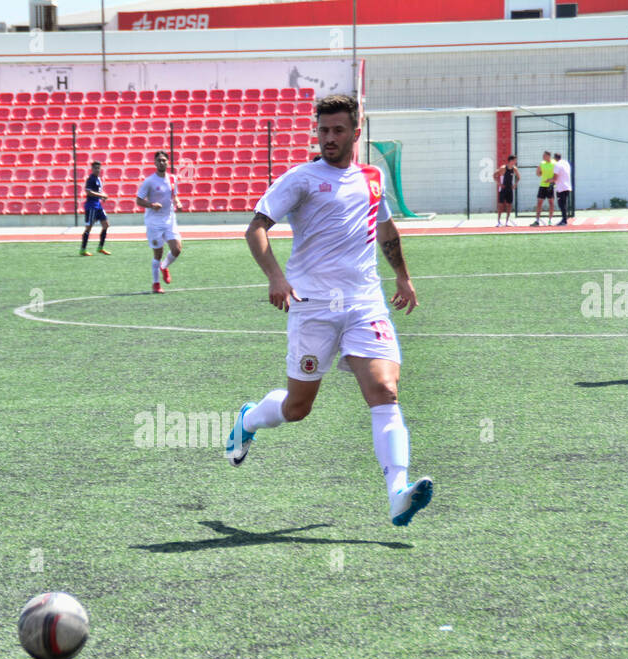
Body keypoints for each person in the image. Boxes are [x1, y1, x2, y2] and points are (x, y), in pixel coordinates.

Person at [225, 93, 433, 529]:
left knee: (385, 391)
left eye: (338, 130)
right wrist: (276, 278)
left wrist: (402, 275)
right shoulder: (301, 179)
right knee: (298, 408)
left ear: (356, 133)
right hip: (313, 308)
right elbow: (256, 228)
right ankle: (250, 418)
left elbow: (384, 227)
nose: (329, 138)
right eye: (323, 130)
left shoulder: (372, 179)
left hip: (364, 305)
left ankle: (398, 493)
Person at [135, 151, 183, 293]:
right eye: (159, 160)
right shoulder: (149, 181)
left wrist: (178, 203)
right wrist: (151, 205)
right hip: (154, 222)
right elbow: (138, 200)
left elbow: (174, 196)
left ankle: (164, 267)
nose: (162, 162)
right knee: (158, 253)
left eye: (164, 160)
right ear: (155, 163)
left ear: (168, 162)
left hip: (169, 220)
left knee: (177, 249)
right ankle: (156, 284)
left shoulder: (173, 179)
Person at [80, 160, 111, 256]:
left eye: (99, 168)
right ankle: (83, 249)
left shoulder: (98, 179)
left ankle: (100, 247)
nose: (97, 170)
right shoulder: (91, 179)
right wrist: (101, 195)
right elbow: (88, 192)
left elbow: (96, 192)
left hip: (98, 206)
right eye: (95, 168)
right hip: (91, 206)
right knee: (88, 228)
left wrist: (101, 197)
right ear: (92, 169)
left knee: (106, 225)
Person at [532, 150, 555, 226]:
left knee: (551, 203)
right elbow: (538, 174)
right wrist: (539, 171)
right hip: (542, 185)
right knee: (539, 203)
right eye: (543, 156)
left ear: (548, 156)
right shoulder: (542, 163)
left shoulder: (554, 163)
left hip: (550, 186)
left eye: (544, 155)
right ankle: (537, 220)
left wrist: (551, 180)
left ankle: (550, 220)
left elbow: (556, 174)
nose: (543, 157)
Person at [495, 154, 518, 226]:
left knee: (509, 205)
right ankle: (498, 221)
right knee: (500, 205)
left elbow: (519, 177)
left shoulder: (514, 169)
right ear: (511, 160)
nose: (515, 162)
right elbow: (494, 175)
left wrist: (515, 185)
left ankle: (507, 222)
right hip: (503, 189)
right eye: (514, 160)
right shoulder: (503, 168)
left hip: (509, 189)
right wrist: (499, 184)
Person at [552, 152, 572, 225]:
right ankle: (564, 219)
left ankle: (564, 220)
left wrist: (549, 180)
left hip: (561, 187)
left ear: (555, 158)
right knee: (564, 204)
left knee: (561, 204)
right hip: (567, 186)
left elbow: (555, 178)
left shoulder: (557, 165)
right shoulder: (565, 163)